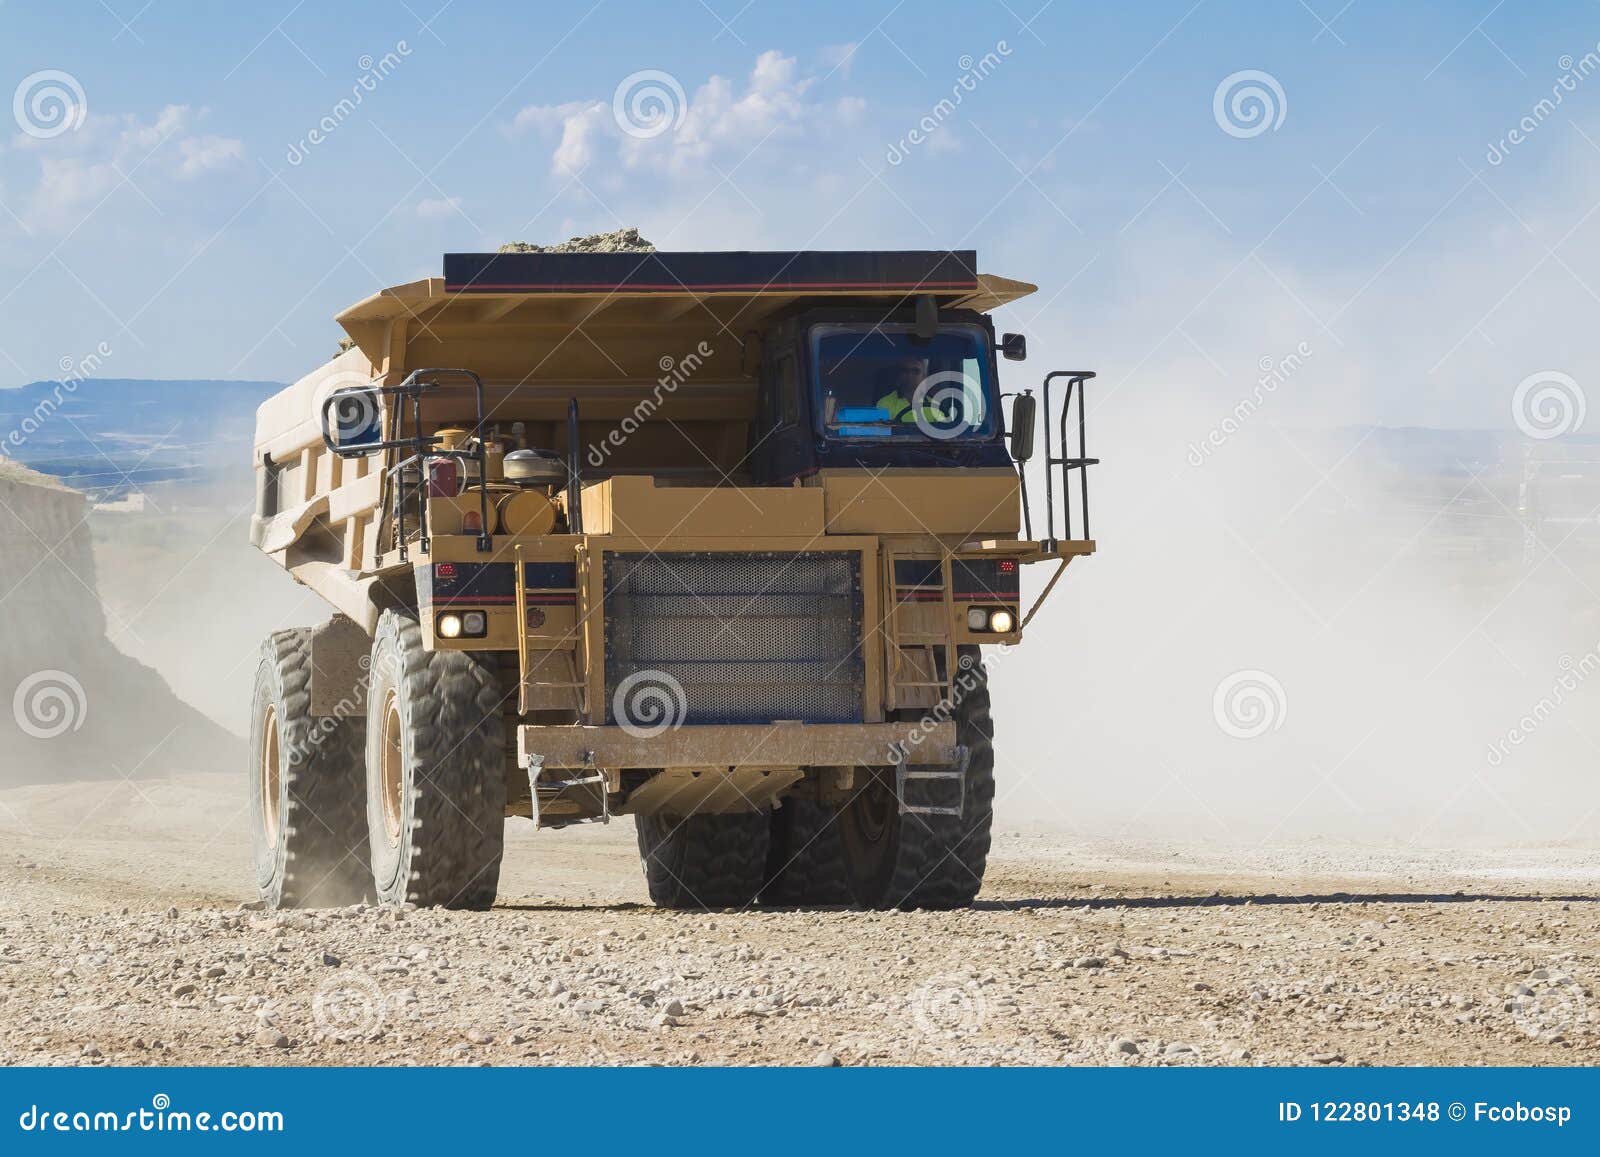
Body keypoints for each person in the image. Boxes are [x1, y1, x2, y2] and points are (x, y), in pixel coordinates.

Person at [873, 359, 950, 426]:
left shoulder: (934, 405)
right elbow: (882, 435)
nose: (910, 375)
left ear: (924, 377)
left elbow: (943, 433)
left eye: (916, 371)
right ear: (899, 375)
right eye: (905, 370)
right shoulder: (884, 404)